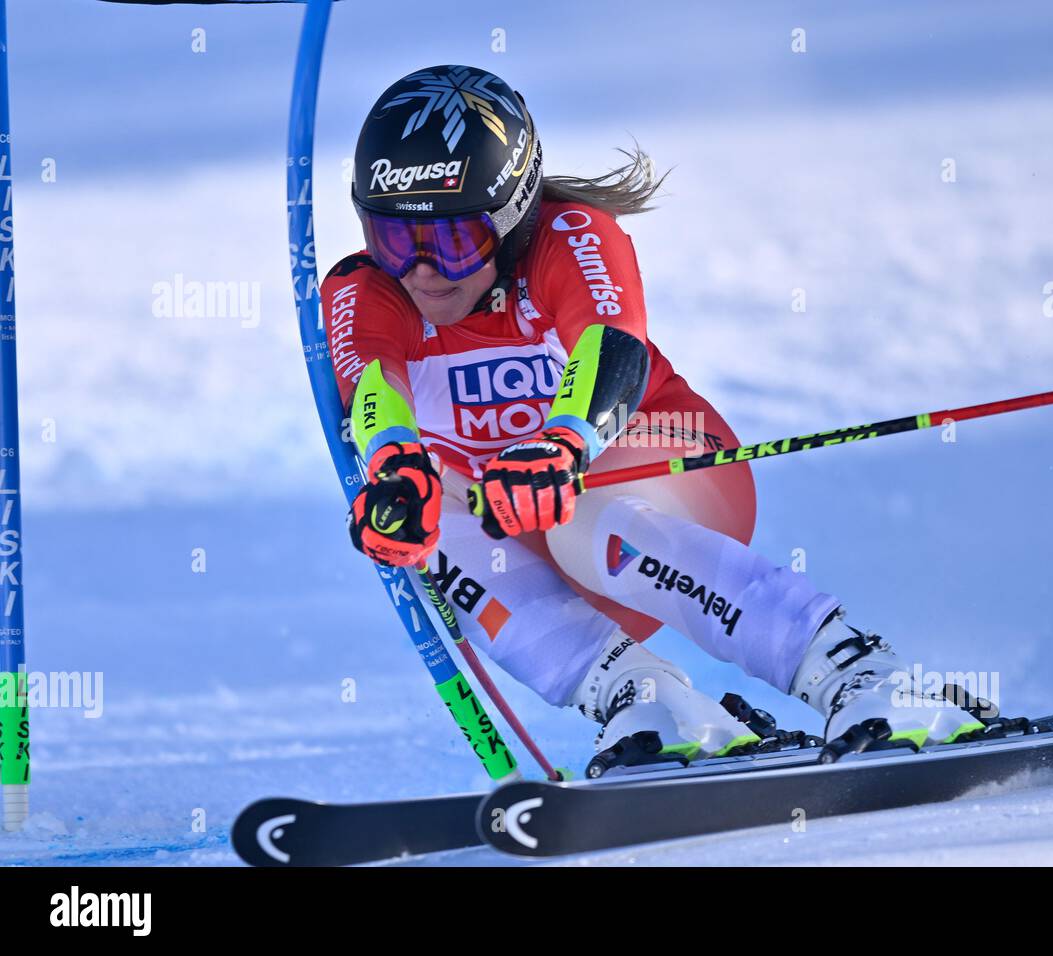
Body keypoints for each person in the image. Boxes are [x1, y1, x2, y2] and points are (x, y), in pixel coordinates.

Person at [322, 64, 986, 768]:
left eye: (453, 242)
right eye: (395, 239)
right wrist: (395, 469)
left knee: (579, 519)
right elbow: (374, 382)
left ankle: (859, 674)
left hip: (667, 470)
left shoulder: (569, 237)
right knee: (427, 529)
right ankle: (645, 697)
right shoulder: (365, 289)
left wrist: (565, 443)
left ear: (512, 215)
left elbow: (609, 345)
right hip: (524, 528)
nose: (422, 270)